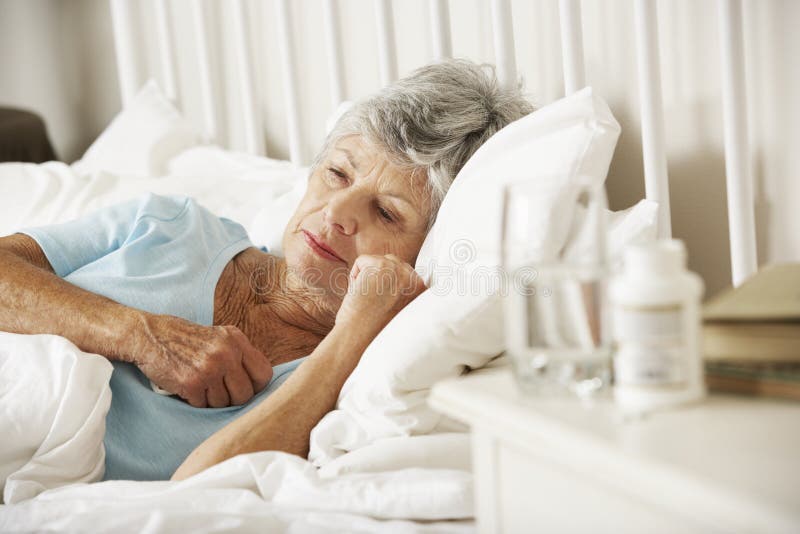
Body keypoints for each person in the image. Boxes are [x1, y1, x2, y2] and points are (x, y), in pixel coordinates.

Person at [0, 59, 534, 481]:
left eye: (387, 213)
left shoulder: (353, 383)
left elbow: (200, 490)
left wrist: (350, 335)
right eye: (337, 173)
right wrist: (141, 335)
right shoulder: (172, 223)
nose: (336, 213)